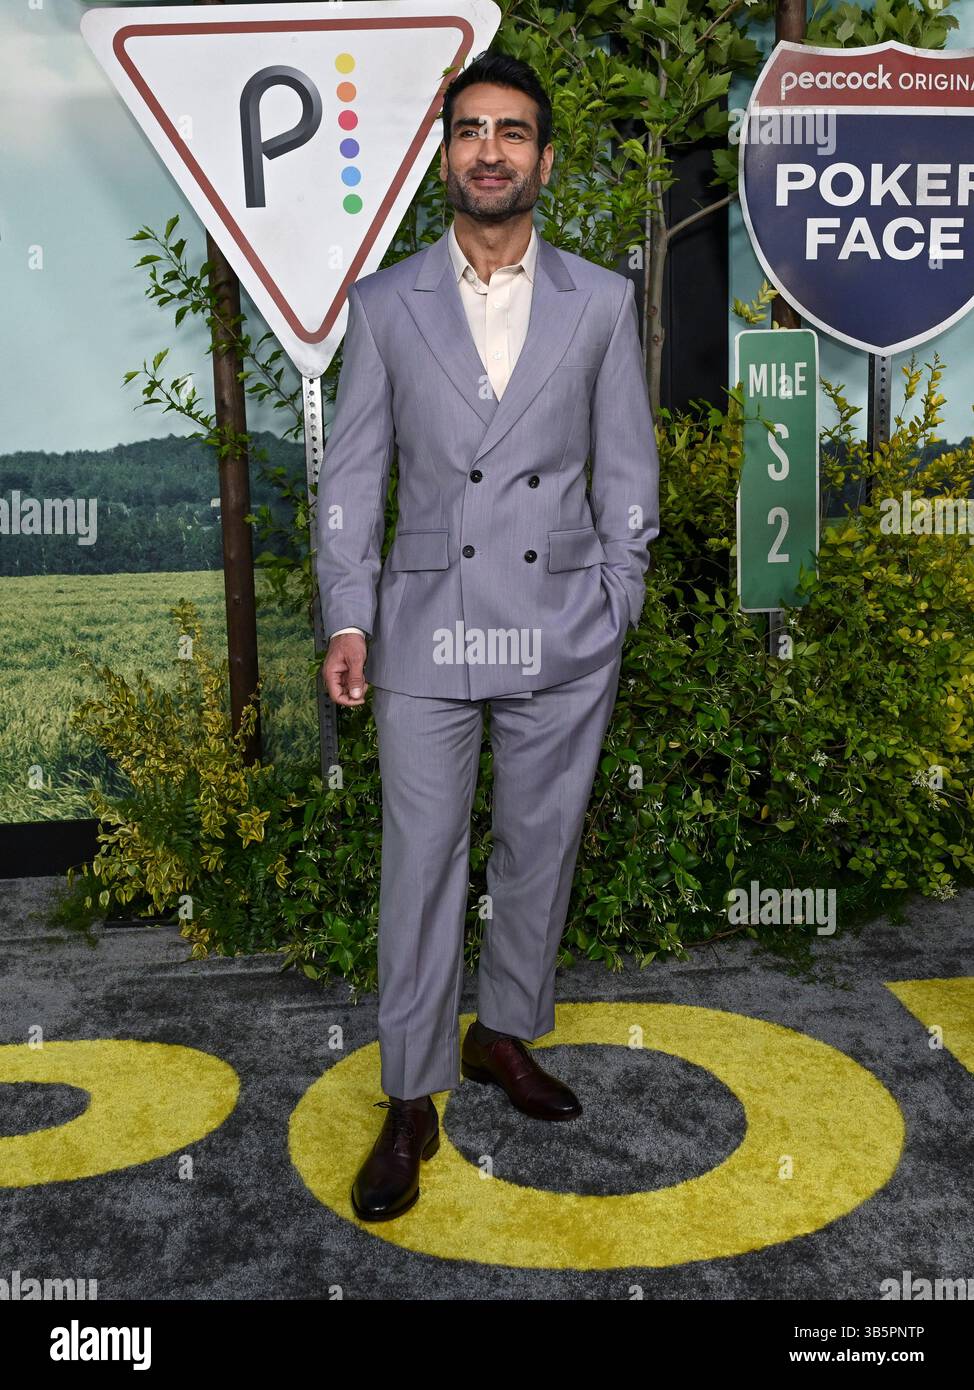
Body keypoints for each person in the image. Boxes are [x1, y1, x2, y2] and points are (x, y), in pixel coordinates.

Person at [316, 49, 659, 1221]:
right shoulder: (384, 305)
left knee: (536, 852)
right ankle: (410, 1092)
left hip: (562, 634)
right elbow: (353, 478)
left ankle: (501, 1032)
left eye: (512, 131)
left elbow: (626, 469)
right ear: (443, 154)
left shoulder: (603, 301)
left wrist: (617, 598)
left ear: (543, 158)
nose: (490, 150)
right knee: (419, 867)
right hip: (422, 635)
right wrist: (348, 615)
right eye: (470, 130)